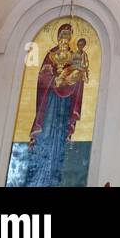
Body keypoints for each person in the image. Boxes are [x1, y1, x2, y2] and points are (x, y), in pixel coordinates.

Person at [23, 23, 87, 186]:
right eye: (63, 36)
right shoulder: (51, 56)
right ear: (58, 37)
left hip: (64, 105)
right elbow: (42, 79)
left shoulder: (75, 57)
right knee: (45, 134)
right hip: (49, 103)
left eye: (68, 36)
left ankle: (53, 179)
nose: (65, 39)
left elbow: (78, 81)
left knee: (59, 139)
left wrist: (74, 78)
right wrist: (54, 80)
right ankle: (37, 179)